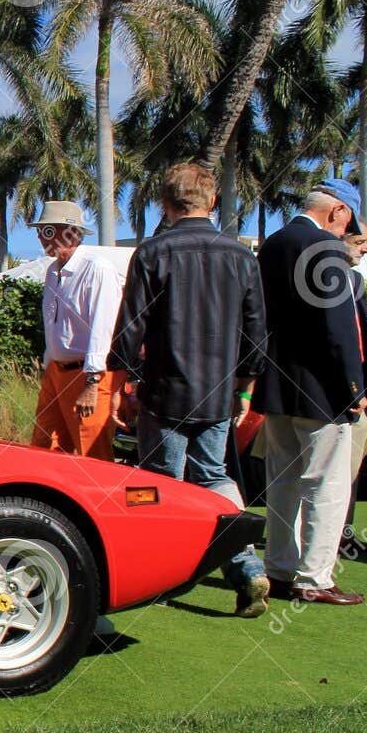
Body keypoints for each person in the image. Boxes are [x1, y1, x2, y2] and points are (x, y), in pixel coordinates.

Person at [110, 163, 270, 617]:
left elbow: (132, 325)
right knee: (212, 480)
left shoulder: (153, 252)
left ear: (165, 203)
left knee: (159, 483)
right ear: (212, 201)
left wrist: (120, 384)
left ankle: (158, 575)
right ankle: (245, 567)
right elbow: (257, 332)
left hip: (165, 390)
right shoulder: (241, 257)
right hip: (218, 392)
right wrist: (244, 388)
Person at [253, 178, 367, 605]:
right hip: (321, 390)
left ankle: (280, 568)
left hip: (278, 385)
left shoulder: (273, 245)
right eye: (347, 221)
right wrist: (354, 387)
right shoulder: (326, 248)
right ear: (338, 211)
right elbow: (337, 329)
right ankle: (314, 577)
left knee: (282, 480)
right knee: (327, 483)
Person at [29, 201, 122, 460]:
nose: (40, 237)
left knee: (92, 453)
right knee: (44, 448)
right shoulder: (51, 272)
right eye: (41, 231)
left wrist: (92, 382)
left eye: (47, 230)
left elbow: (104, 327)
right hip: (57, 373)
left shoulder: (97, 268)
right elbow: (52, 326)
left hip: (88, 374)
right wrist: (49, 368)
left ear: (70, 232)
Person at [341, 224, 367, 555]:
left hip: (359, 400)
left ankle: (343, 534)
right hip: (330, 400)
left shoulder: (355, 282)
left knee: (350, 474)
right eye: (360, 241)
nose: (366, 249)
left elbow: (363, 341)